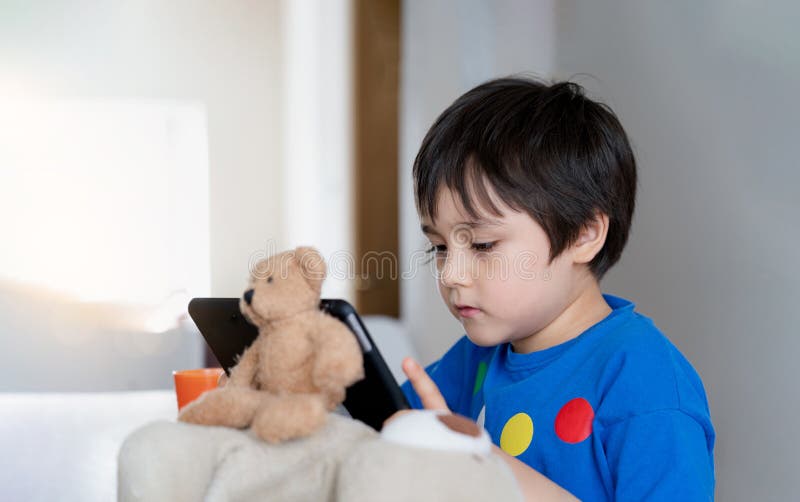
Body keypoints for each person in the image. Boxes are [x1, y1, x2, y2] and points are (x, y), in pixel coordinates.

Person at [394, 77, 715, 501]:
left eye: (483, 245)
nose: (451, 274)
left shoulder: (645, 383)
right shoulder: (479, 357)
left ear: (584, 234)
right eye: (439, 247)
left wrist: (487, 466)